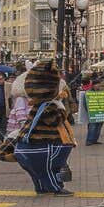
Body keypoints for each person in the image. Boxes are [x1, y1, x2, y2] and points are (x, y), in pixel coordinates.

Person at [13, 61, 74, 195]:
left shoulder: (37, 105)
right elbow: (54, 121)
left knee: (37, 171)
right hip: (40, 147)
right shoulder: (48, 105)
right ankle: (56, 188)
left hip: (23, 148)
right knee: (49, 167)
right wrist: (62, 112)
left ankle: (40, 187)